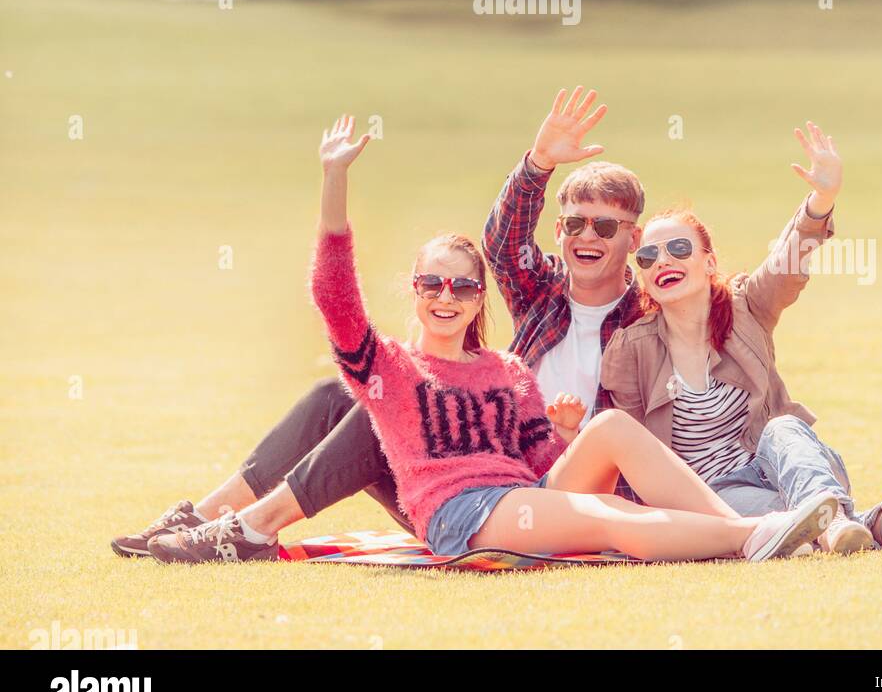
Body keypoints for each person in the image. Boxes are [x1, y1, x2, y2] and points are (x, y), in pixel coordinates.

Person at [151, 114, 837, 566]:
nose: (586, 237)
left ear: (633, 241)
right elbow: (501, 241)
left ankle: (252, 529)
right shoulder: (536, 294)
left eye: (605, 227)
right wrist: (537, 164)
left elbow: (764, 285)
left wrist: (817, 210)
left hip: (541, 480)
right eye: (574, 225)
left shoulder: (645, 319)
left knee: (382, 400)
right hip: (470, 480)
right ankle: (215, 517)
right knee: (343, 394)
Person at [600, 122, 882, 552]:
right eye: (649, 256)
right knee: (784, 518)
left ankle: (836, 522)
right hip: (717, 495)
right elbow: (636, 454)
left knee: (783, 429)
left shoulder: (747, 306)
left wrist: (821, 200)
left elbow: (788, 260)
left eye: (680, 249)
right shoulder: (631, 351)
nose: (662, 261)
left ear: (709, 263)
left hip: (789, 465)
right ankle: (879, 520)